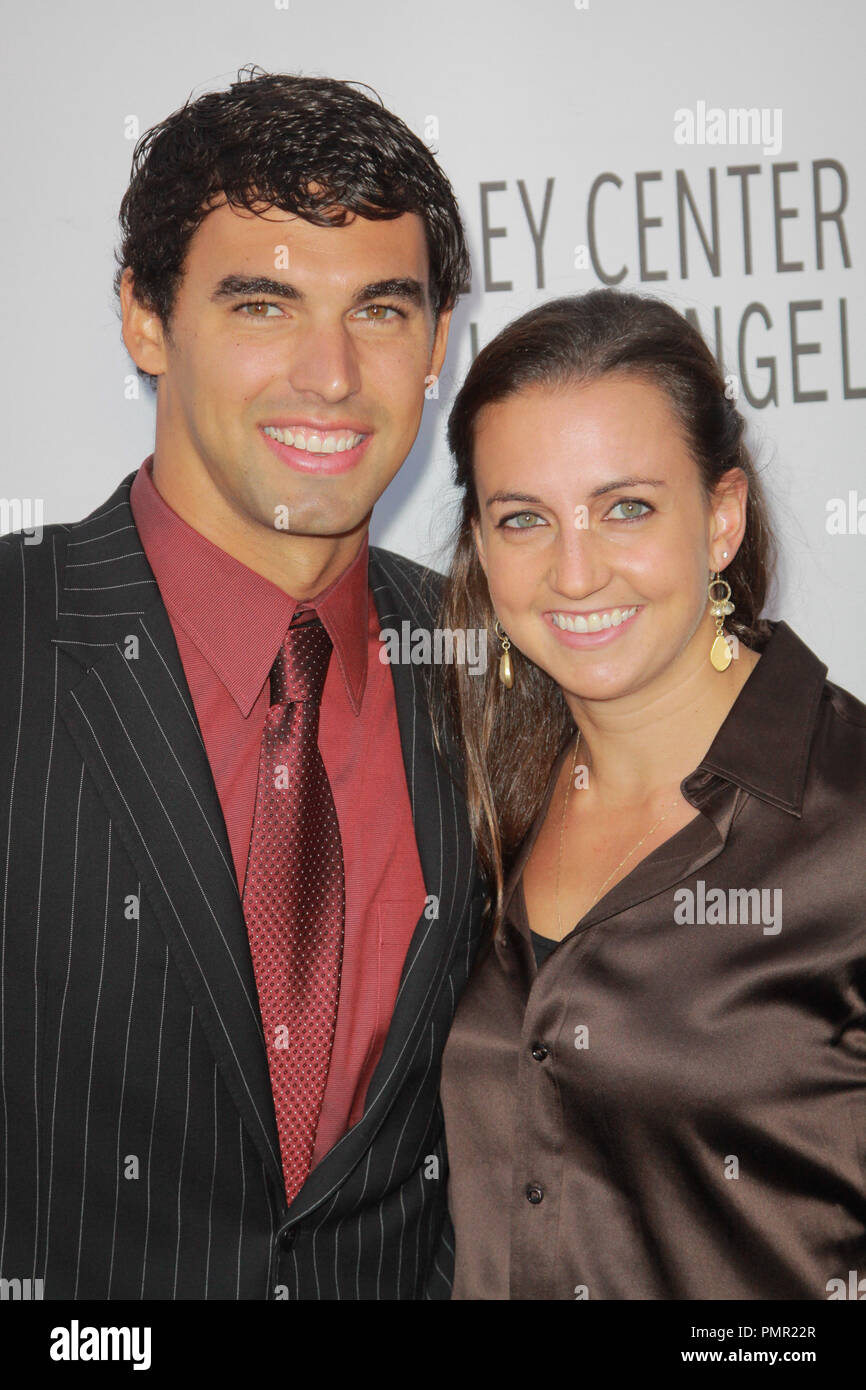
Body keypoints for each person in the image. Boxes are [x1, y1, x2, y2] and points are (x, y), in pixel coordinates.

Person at [0, 66, 486, 1300]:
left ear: (437, 341)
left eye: (380, 310)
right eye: (264, 304)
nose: (329, 376)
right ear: (144, 319)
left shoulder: (495, 671)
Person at [435, 288, 866, 1300]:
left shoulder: (846, 820)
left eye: (624, 506)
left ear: (720, 519)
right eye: (523, 518)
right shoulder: (469, 803)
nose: (574, 570)